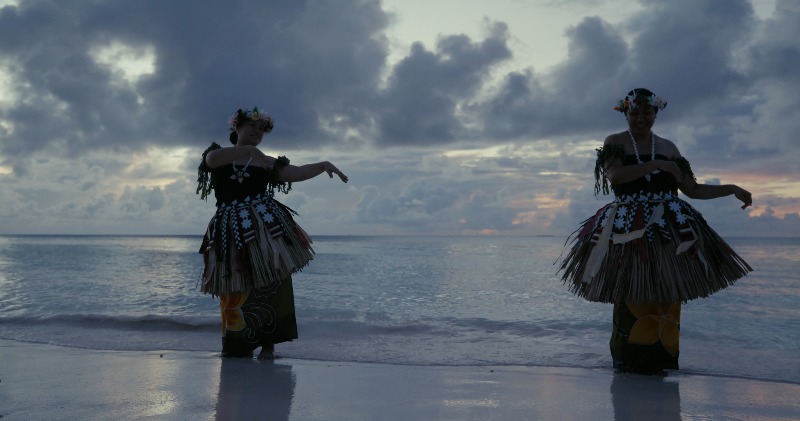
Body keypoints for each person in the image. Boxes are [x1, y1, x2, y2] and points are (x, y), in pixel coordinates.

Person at [558, 88, 752, 374]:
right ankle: (627, 362)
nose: (640, 118)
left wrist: (732, 189)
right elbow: (615, 176)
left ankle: (662, 361)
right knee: (631, 290)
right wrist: (658, 165)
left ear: (655, 113)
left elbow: (692, 189)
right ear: (625, 113)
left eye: (646, 112)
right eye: (634, 112)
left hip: (667, 231)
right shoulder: (615, 142)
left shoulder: (668, 146)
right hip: (627, 231)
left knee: (666, 291)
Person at [196, 106, 348, 360]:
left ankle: (269, 344)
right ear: (237, 127)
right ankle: (239, 344)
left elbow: (296, 173)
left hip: (265, 226)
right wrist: (249, 151)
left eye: (261, 129)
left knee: (273, 279)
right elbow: (210, 161)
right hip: (230, 229)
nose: (257, 132)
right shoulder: (218, 154)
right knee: (236, 281)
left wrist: (322, 165)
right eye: (252, 126)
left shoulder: (266, 162)